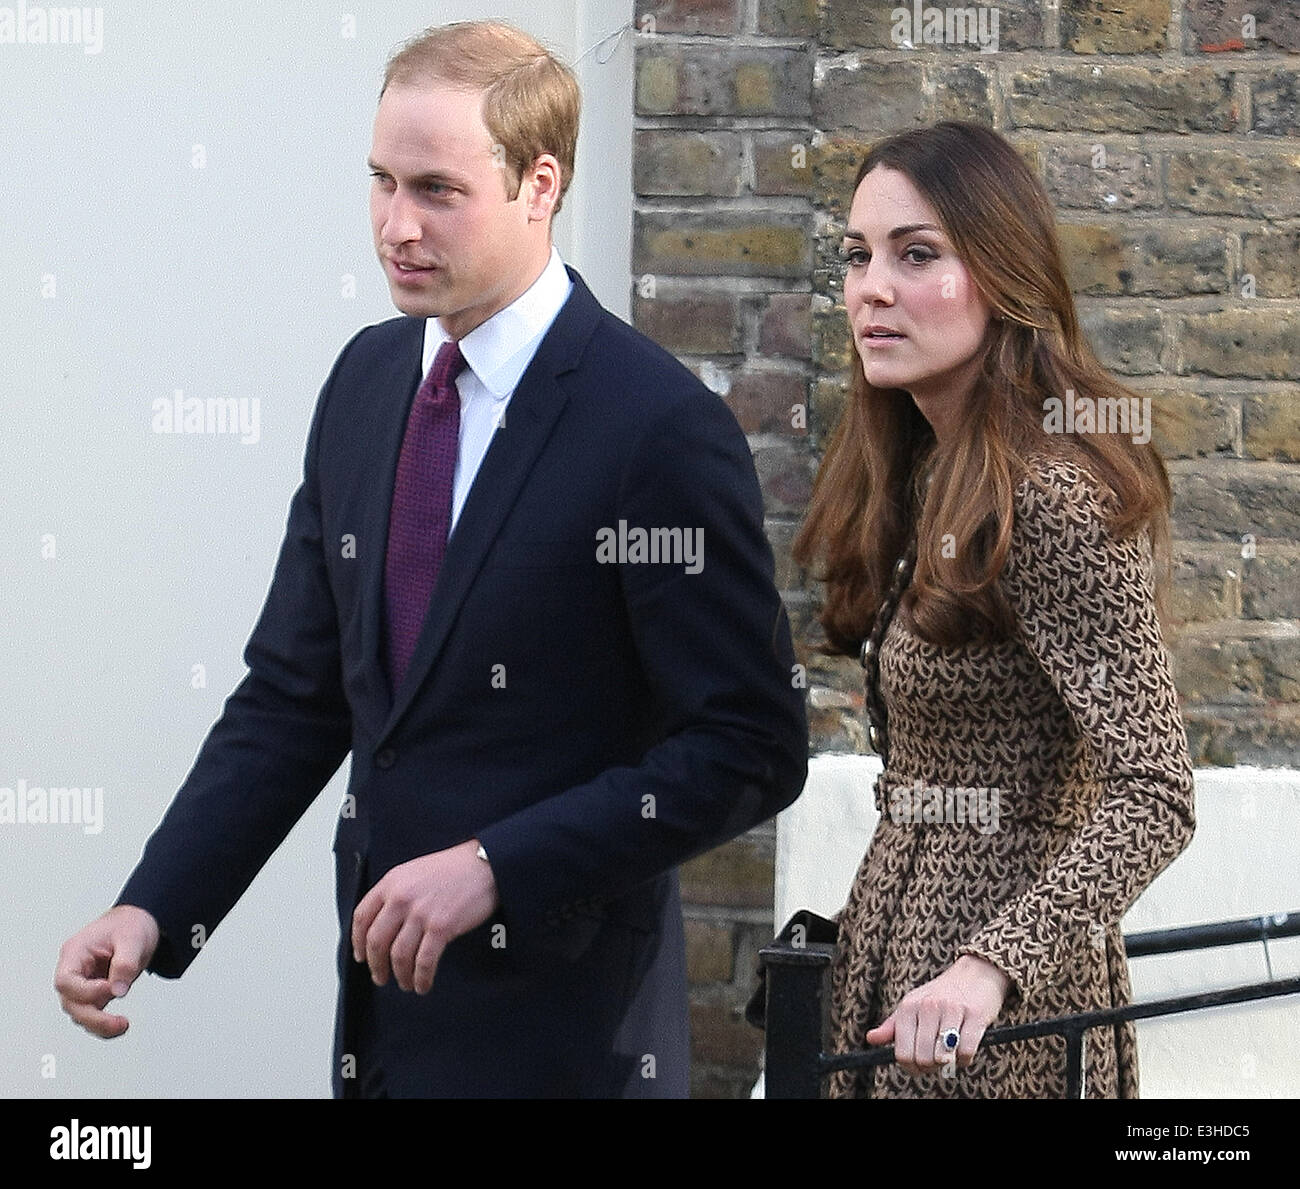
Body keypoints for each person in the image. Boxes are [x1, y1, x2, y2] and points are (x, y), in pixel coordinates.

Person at [54, 20, 807, 1099]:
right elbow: (296, 695)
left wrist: (499, 867)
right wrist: (156, 905)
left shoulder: (654, 426)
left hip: (572, 1048)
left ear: (538, 184)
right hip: (384, 1038)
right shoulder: (366, 384)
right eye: (380, 182)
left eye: (438, 191)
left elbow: (748, 744)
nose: (395, 226)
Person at [792, 120, 1195, 1098]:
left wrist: (988, 966)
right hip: (899, 979)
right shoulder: (928, 473)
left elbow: (1156, 792)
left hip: (1000, 1024)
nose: (871, 287)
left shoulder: (1048, 494)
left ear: (1004, 276)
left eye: (915, 254)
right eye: (857, 256)